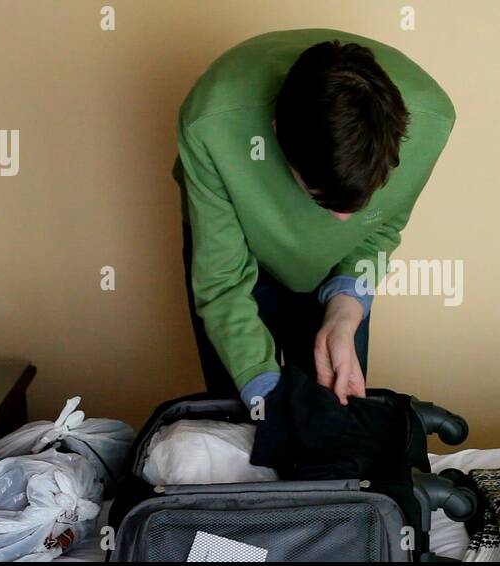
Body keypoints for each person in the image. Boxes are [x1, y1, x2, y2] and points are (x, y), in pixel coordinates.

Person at [174, 29, 455, 410]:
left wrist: (346, 311)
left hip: (335, 274)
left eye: (361, 201)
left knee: (336, 403)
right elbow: (221, 282)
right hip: (236, 261)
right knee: (243, 414)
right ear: (276, 134)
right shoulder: (210, 122)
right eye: (323, 200)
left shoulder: (432, 122)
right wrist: (265, 394)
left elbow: (382, 228)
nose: (344, 220)